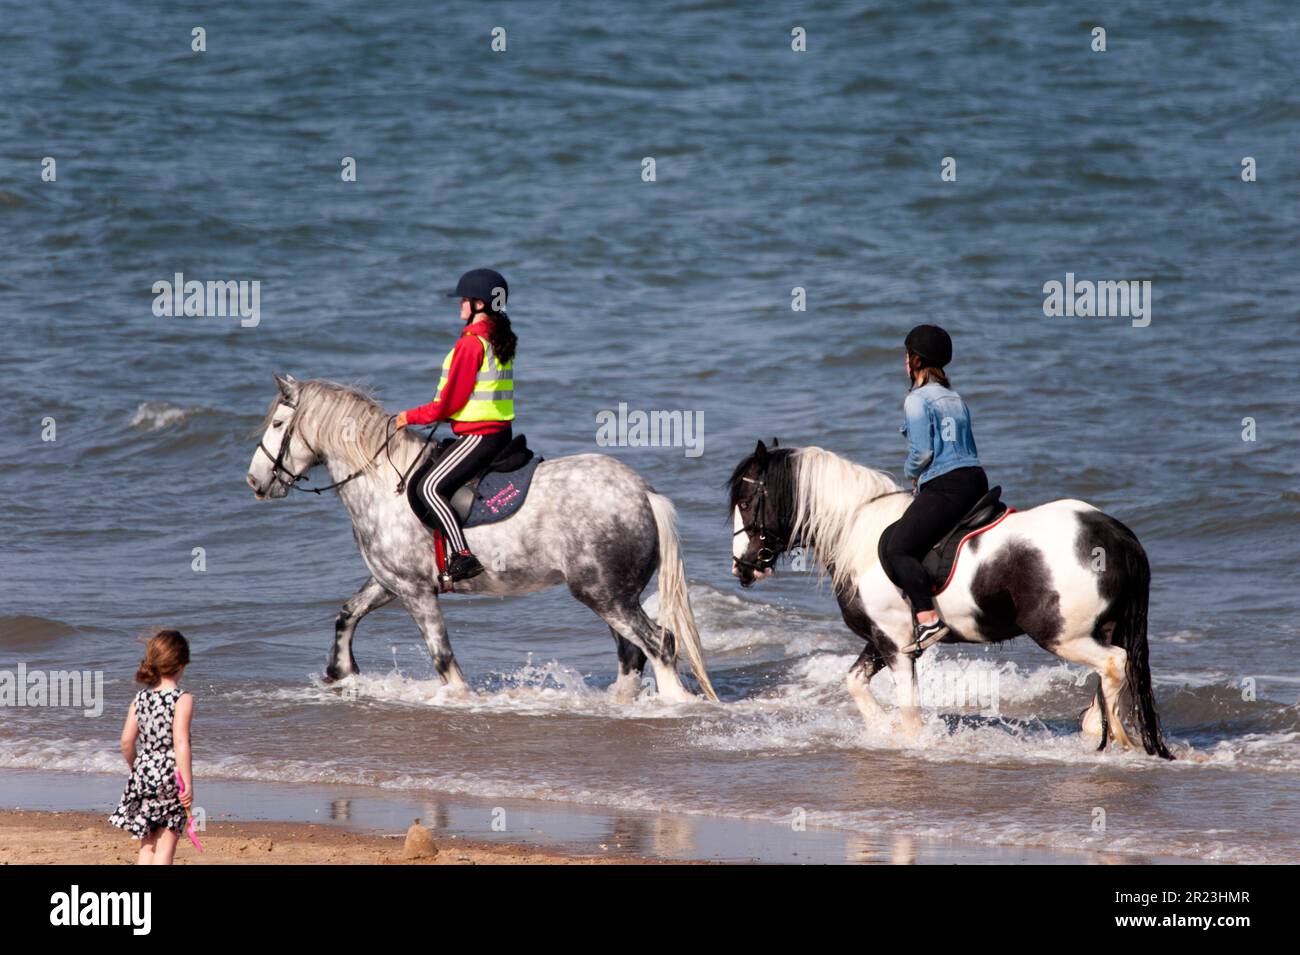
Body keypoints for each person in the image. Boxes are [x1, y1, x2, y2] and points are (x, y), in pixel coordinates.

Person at [395, 268, 517, 582]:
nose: (460, 305)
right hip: (498, 432)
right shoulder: (499, 336)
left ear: (479, 305)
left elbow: (447, 404)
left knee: (427, 487)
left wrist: (408, 417)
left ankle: (462, 555)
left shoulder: (471, 344)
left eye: (465, 299)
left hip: (481, 436)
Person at [884, 324, 988, 653]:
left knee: (898, 549)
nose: (904, 362)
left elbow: (924, 453)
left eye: (906, 355)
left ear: (915, 361)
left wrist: (910, 474)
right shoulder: (955, 398)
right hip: (975, 479)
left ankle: (928, 619)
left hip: (946, 484)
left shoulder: (917, 400)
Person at [109, 628, 194, 865]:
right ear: (181, 664)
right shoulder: (182, 698)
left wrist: (136, 768)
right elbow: (180, 742)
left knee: (147, 845)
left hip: (144, 773)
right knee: (166, 843)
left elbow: (126, 741)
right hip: (171, 775)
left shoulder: (140, 698)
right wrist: (187, 784)